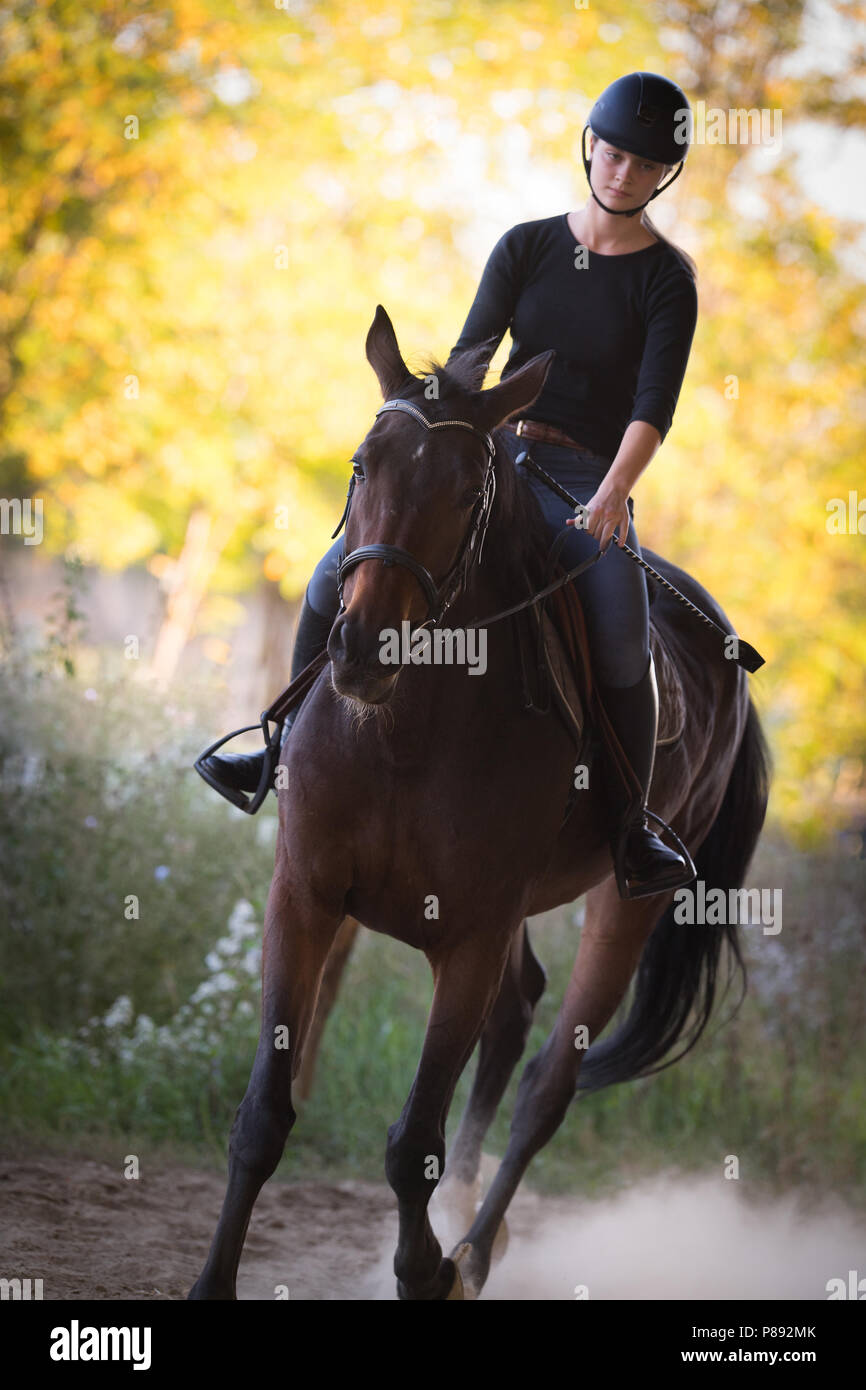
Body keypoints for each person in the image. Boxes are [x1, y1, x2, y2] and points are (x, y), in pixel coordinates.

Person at [197, 71, 698, 900]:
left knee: (620, 632)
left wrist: (612, 493)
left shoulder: (667, 281)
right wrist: (436, 434)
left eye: (642, 164)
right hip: (494, 453)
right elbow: (472, 357)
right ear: (590, 150)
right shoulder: (525, 245)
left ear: (662, 176)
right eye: (612, 154)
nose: (621, 173)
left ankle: (632, 827)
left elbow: (655, 406)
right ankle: (275, 746)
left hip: (589, 478)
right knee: (334, 576)